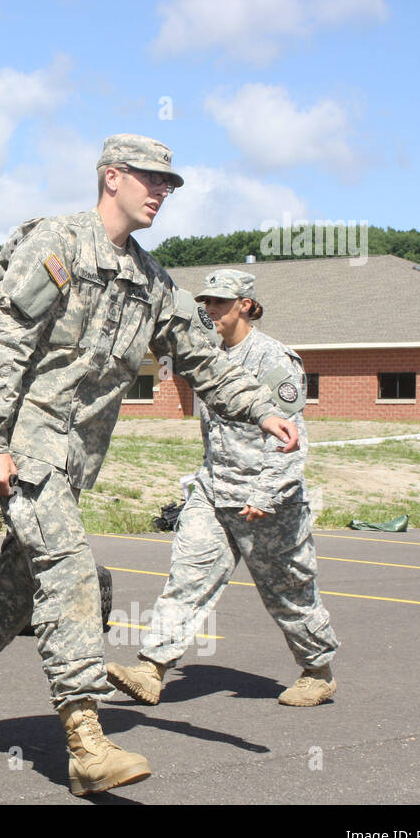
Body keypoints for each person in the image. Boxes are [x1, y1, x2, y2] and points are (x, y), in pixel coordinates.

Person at [0, 135, 301, 797]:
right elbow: (4, 341)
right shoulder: (57, 244)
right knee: (69, 572)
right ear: (112, 177)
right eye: (149, 180)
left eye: (169, 185)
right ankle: (85, 736)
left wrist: (261, 408)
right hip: (20, 445)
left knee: (16, 587)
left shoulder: (151, 281)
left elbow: (203, 360)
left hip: (69, 461)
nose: (160, 193)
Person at [107, 269, 339, 707]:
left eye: (220, 303)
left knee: (288, 593)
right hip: (214, 493)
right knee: (186, 581)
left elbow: (291, 439)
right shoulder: (208, 358)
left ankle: (317, 670)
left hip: (267, 503)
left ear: (246, 306)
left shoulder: (274, 361)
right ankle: (152, 669)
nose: (210, 310)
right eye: (206, 302)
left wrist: (266, 493)